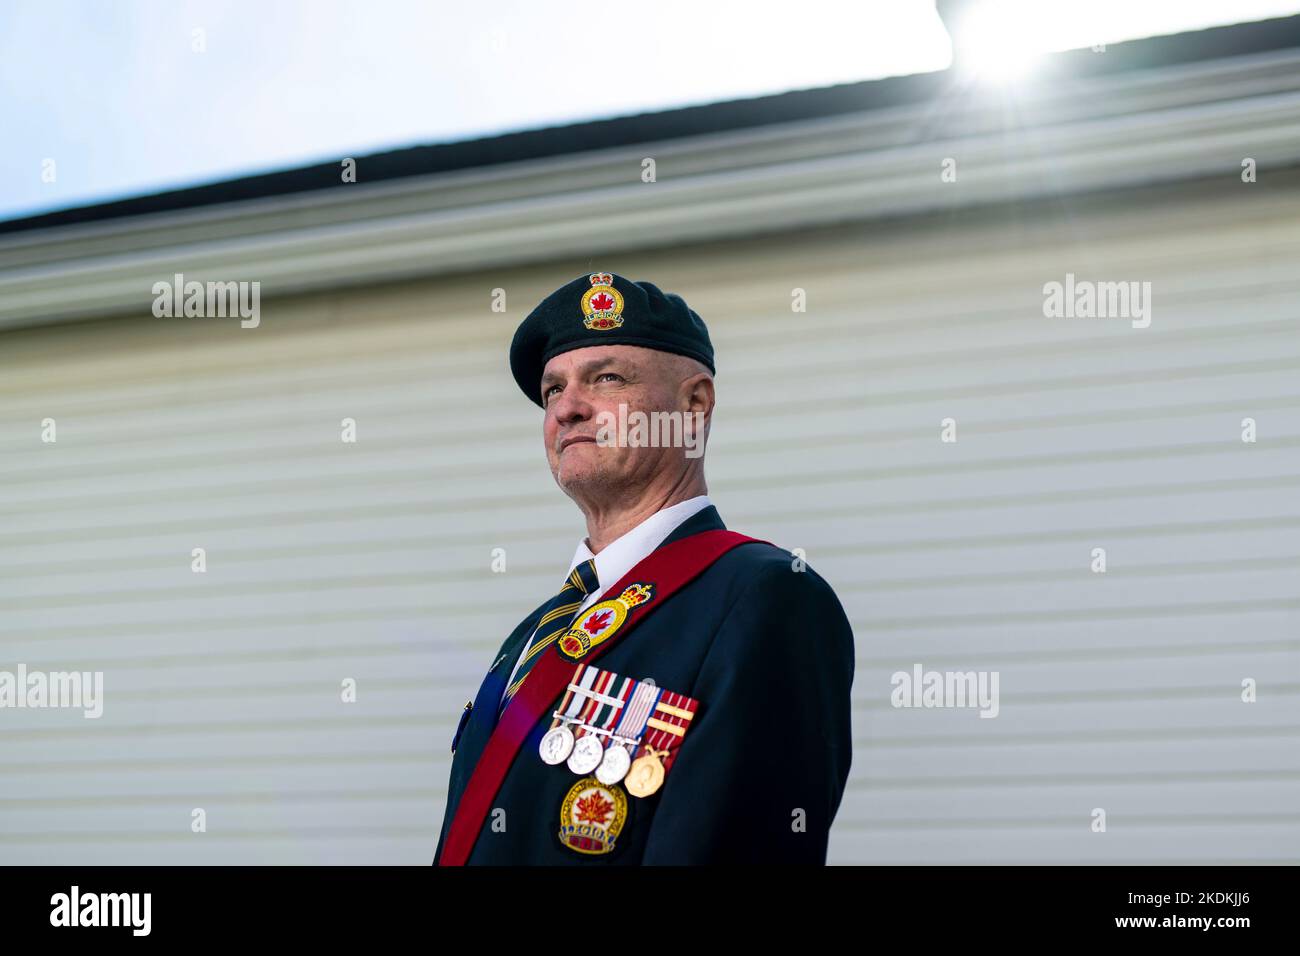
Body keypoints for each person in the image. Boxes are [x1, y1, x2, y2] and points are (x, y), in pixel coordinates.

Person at [433, 271, 854, 864]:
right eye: (553, 389)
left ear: (694, 404)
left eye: (606, 378)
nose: (568, 409)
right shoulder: (535, 632)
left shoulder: (765, 596)